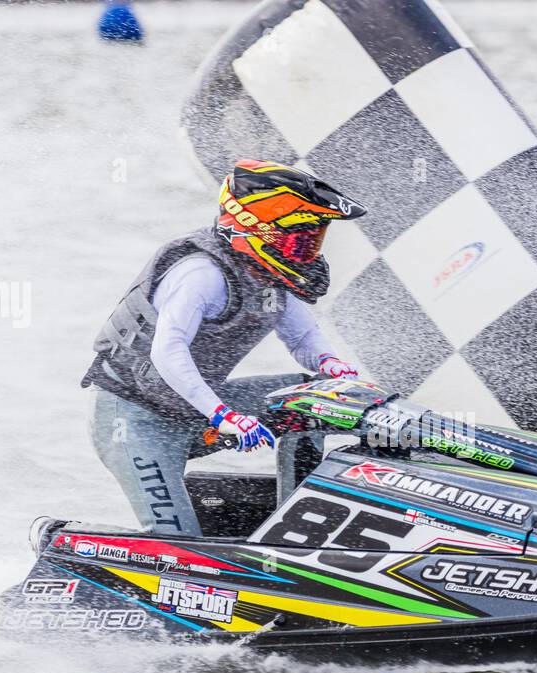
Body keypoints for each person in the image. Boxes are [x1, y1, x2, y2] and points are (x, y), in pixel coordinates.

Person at [81, 159, 367, 537]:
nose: (307, 254)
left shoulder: (270, 273)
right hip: (134, 419)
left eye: (313, 242)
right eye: (300, 241)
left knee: (316, 396)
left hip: (196, 409)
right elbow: (167, 351)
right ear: (258, 230)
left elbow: (302, 338)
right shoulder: (201, 274)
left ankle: (296, 530)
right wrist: (223, 415)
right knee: (179, 541)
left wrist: (330, 364)